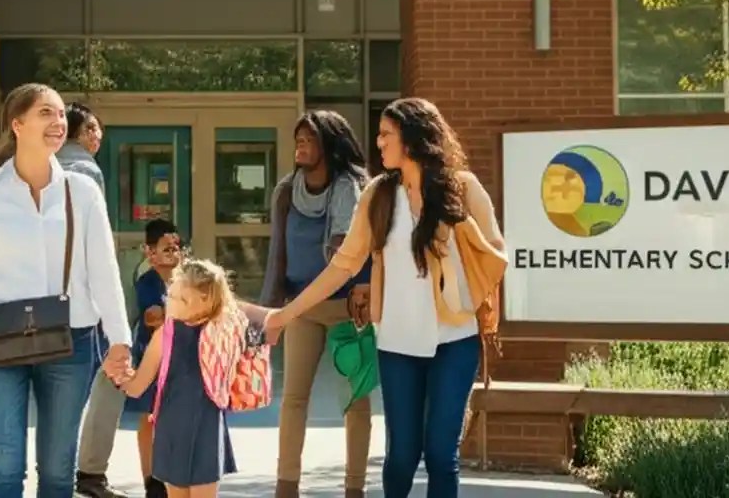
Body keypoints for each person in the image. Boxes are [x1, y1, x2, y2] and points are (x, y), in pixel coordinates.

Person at [263, 98, 508, 498]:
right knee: (401, 457)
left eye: (385, 135)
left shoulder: (463, 189)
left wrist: (461, 234)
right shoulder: (378, 195)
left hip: (455, 341)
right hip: (397, 344)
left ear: (412, 138)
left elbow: (495, 254)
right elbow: (342, 266)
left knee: (441, 455)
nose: (377, 143)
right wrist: (285, 314)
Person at [0, 83, 133, 498]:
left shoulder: (82, 192)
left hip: (73, 341)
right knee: (3, 470)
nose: (58, 122)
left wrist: (119, 340)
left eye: (59, 114)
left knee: (56, 472)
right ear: (17, 124)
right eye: (45, 113)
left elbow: (104, 271)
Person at [258, 110, 373, 498]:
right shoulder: (287, 191)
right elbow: (278, 255)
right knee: (293, 398)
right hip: (301, 307)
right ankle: (286, 485)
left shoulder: (354, 186)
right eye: (298, 140)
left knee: (355, 402)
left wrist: (367, 287)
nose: (300, 147)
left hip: (346, 309)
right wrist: (269, 313)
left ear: (329, 143)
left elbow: (360, 250)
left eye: (308, 140)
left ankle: (354, 488)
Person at [115, 259, 241, 498]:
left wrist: (121, 376)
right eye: (169, 295)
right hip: (207, 427)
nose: (167, 302)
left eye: (176, 298)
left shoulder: (166, 334)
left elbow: (136, 387)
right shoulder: (223, 331)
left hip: (173, 429)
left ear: (203, 300)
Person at [59, 102, 130, 498]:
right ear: (82, 133)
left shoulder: (37, 165)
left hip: (43, 298)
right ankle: (90, 473)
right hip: (83, 300)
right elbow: (93, 244)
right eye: (95, 129)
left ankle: (65, 472)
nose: (98, 136)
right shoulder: (85, 169)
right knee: (111, 379)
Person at [127, 219, 183, 498]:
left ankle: (173, 474)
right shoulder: (147, 282)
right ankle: (151, 480)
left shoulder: (188, 279)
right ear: (150, 252)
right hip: (151, 359)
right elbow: (153, 317)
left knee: (175, 419)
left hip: (182, 360)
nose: (174, 253)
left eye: (177, 247)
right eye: (166, 248)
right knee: (149, 418)